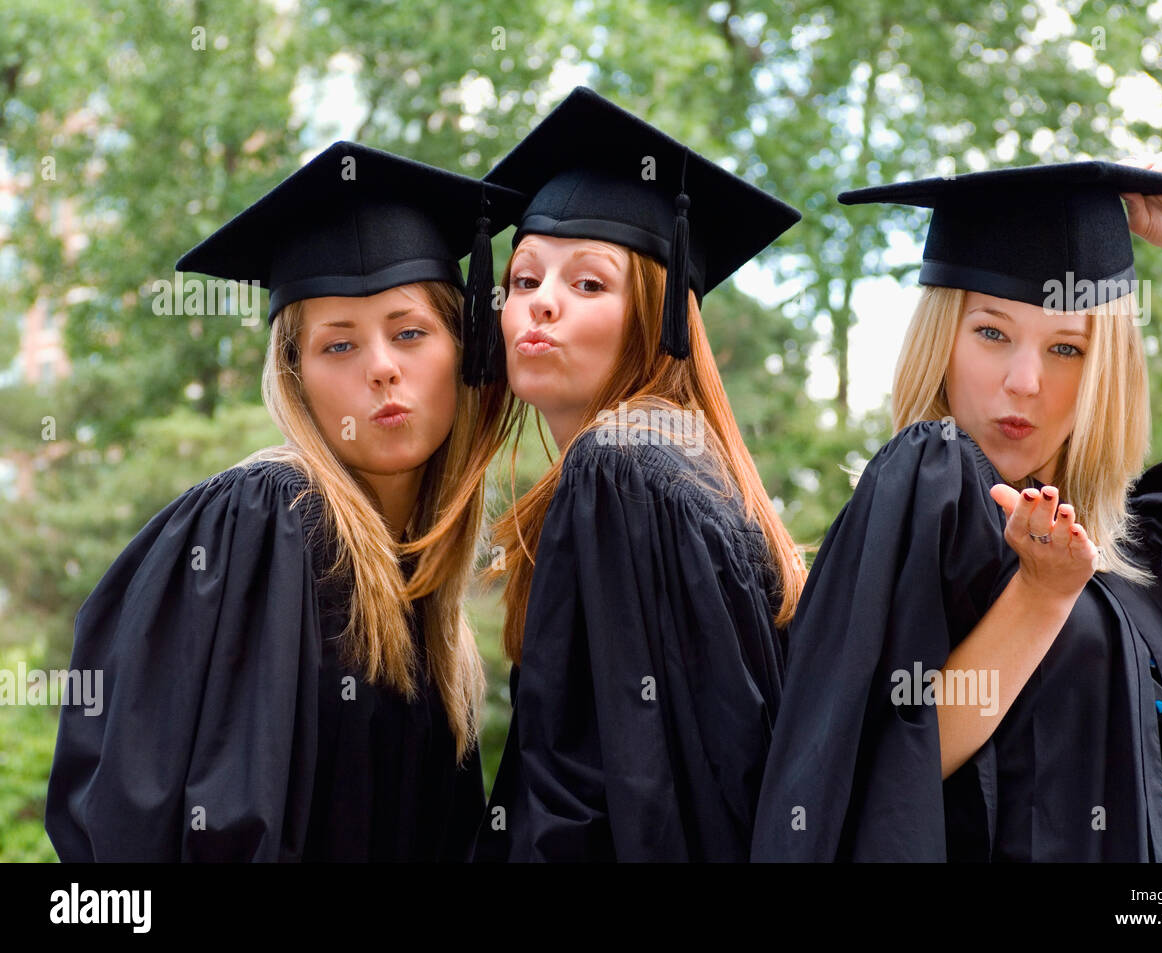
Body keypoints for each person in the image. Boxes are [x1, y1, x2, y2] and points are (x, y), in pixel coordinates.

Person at [752, 156, 1162, 862]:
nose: (1025, 381)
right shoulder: (928, 490)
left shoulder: (1161, 548)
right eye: (991, 332)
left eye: (1067, 347)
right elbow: (872, 768)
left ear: (1105, 372)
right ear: (941, 340)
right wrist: (1041, 596)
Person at [45, 141, 524, 861]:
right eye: (338, 346)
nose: (383, 368)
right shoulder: (267, 519)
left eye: (410, 332)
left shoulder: (424, 598)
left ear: (463, 351)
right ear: (295, 378)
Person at [469, 86, 807, 861]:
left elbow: (623, 798)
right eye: (524, 280)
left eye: (588, 283)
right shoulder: (682, 462)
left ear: (657, 317)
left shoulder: (619, 468)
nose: (540, 305)